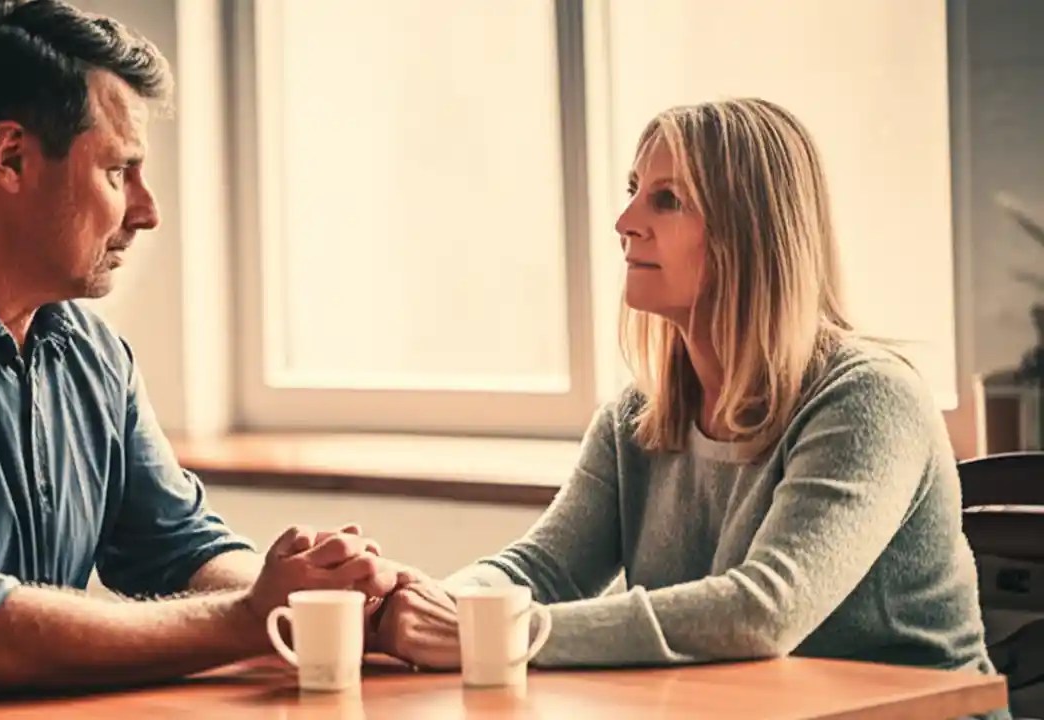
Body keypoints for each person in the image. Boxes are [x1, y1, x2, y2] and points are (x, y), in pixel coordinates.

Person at [0, 0, 405, 694]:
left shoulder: (93, 355)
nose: (147, 209)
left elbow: (181, 547)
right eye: (117, 172)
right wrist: (252, 618)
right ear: (11, 157)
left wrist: (319, 594)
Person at [376, 98, 999, 681]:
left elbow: (762, 611)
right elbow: (541, 570)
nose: (624, 223)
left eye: (666, 200)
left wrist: (497, 636)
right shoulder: (637, 417)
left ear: (750, 232)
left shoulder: (868, 399)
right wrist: (407, 608)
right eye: (633, 192)